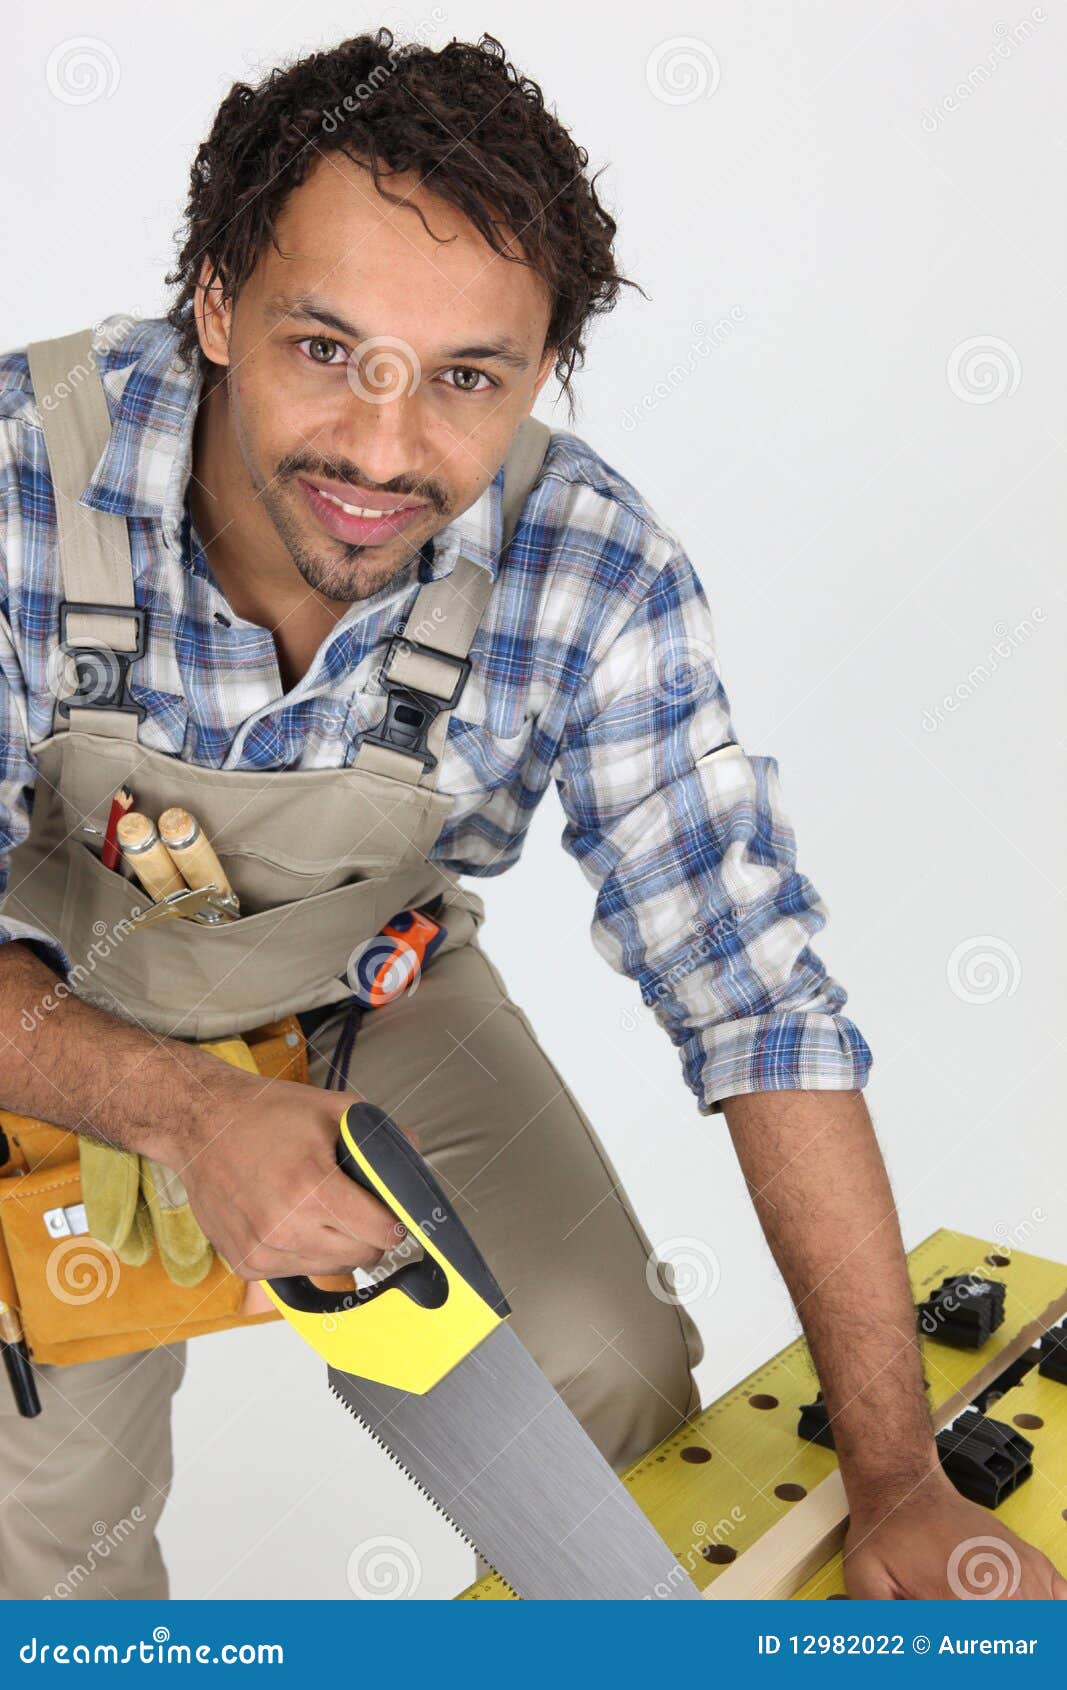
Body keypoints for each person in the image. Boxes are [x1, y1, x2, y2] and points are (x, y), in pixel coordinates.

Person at [0, 30, 1061, 1602]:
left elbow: (755, 999)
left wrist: (897, 1474)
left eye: (467, 379)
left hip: (370, 994)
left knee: (611, 1381)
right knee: (40, 1545)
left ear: (547, 364)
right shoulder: (22, 475)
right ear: (218, 302)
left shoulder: (588, 567)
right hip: (52, 1025)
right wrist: (190, 1111)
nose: (381, 444)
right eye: (325, 348)